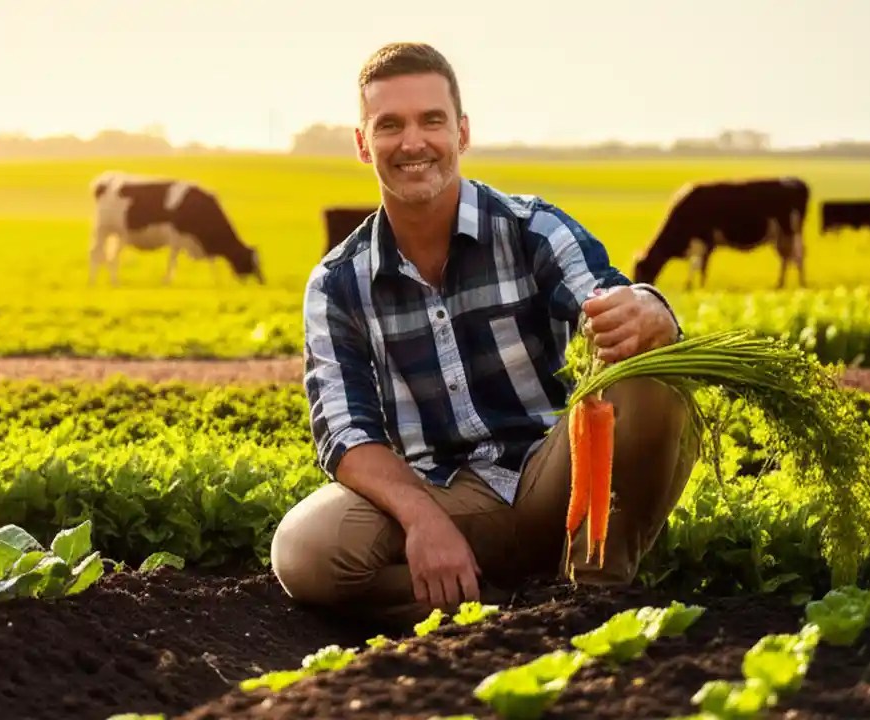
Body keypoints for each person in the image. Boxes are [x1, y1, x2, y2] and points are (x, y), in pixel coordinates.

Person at [271, 41, 700, 627]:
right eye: (389, 125)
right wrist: (423, 519)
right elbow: (345, 434)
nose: (413, 142)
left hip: (553, 475)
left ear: (462, 133)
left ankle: (593, 601)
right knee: (304, 550)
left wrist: (650, 310)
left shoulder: (530, 229)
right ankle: (494, 608)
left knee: (648, 370)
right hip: (447, 494)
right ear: (363, 143)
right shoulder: (337, 283)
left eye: (432, 121)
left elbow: (605, 299)